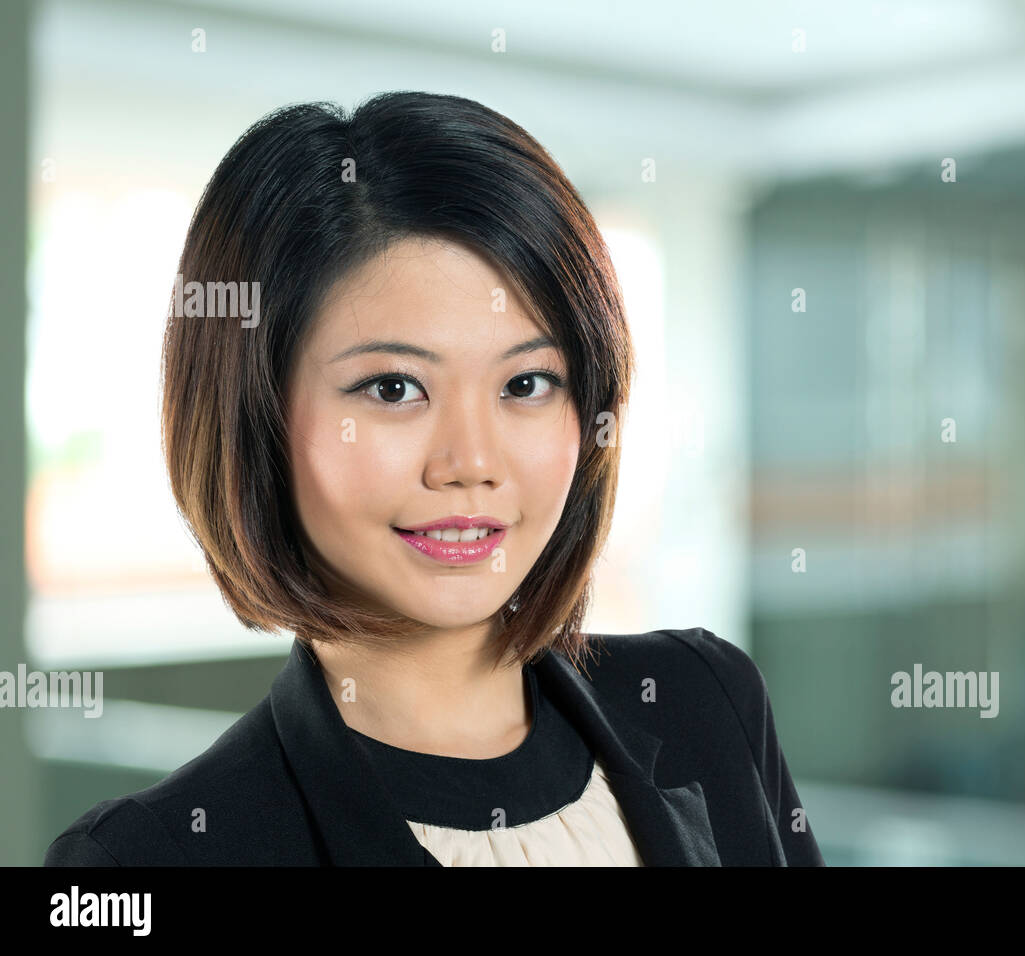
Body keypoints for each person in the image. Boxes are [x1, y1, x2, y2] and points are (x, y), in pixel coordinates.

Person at [43, 92, 824, 866]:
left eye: (525, 386)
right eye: (393, 389)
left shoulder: (705, 701)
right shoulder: (152, 859)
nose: (471, 464)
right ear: (255, 415)